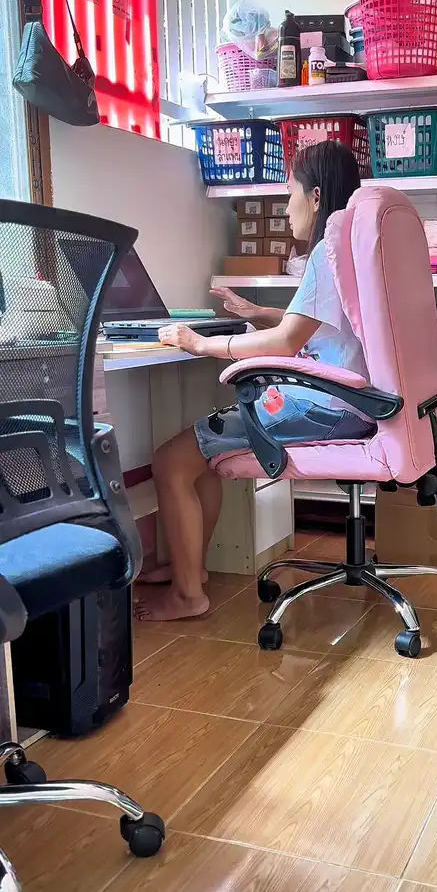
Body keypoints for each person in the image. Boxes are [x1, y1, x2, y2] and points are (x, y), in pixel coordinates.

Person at [135, 140, 374, 622]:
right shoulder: (349, 250)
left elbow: (287, 342)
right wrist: (254, 311)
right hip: (352, 401)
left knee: (170, 461)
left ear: (315, 196)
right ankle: (189, 570)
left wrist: (201, 343)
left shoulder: (326, 253)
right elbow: (314, 324)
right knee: (202, 456)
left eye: (289, 195)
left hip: (322, 406)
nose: (285, 210)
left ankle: (188, 593)